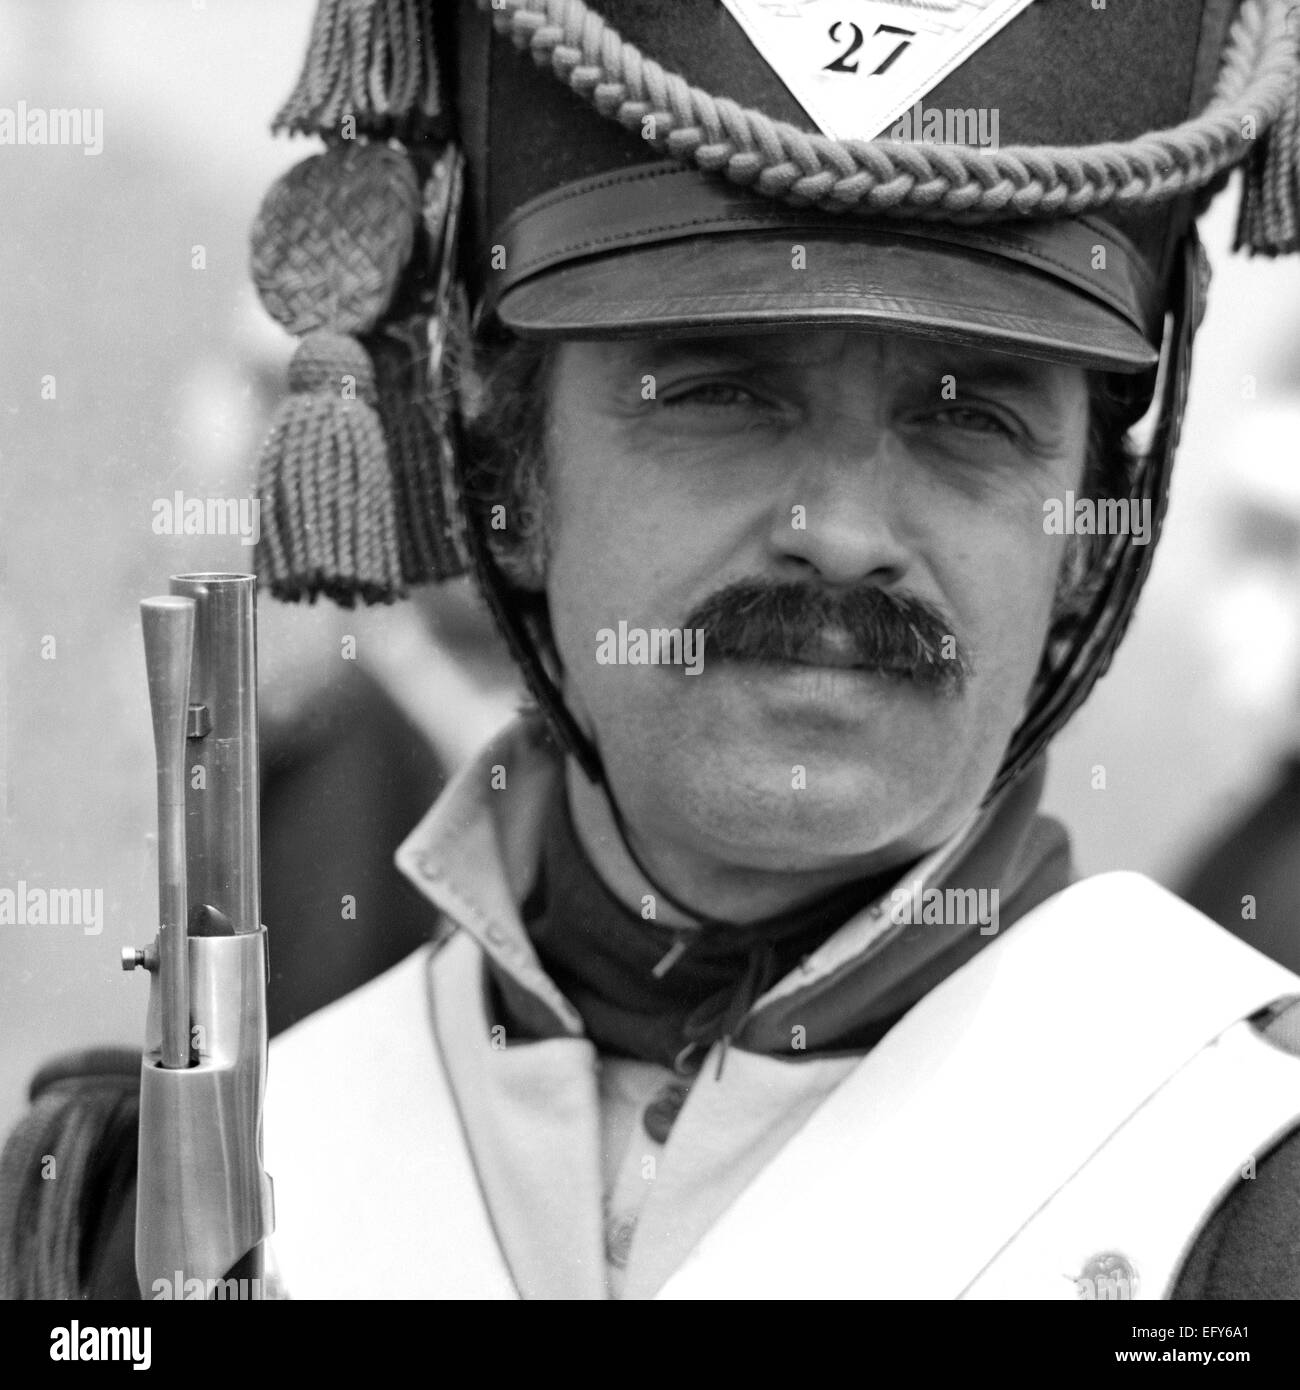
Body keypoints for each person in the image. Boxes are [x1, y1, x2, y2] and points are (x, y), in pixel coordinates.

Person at [6, 0, 1300, 1301]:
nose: (842, 536)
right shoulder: (133, 1228)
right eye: (721, 392)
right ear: (507, 469)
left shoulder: (1251, 1190)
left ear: (1085, 533)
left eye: (969, 417)